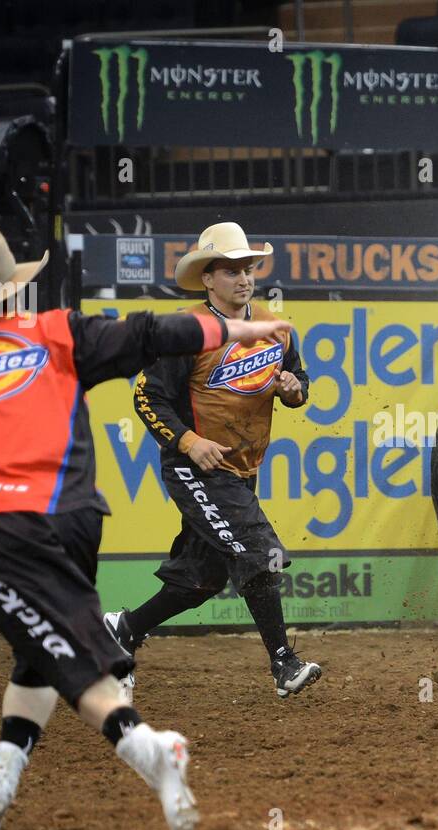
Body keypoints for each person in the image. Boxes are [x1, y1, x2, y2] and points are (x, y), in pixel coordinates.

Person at [0, 227, 293, 830]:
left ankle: (145, 747)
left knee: (66, 654)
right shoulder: (54, 332)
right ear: (13, 292)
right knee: (40, 645)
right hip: (78, 516)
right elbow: (150, 333)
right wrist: (235, 330)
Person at [103, 223, 322, 700]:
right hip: (197, 468)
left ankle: (123, 628)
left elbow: (300, 381)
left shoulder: (276, 330)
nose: (244, 278)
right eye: (231, 270)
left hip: (242, 471)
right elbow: (147, 398)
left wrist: (294, 391)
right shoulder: (184, 334)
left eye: (248, 268)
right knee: (258, 551)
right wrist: (187, 443)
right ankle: (284, 664)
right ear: (207, 278)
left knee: (200, 580)